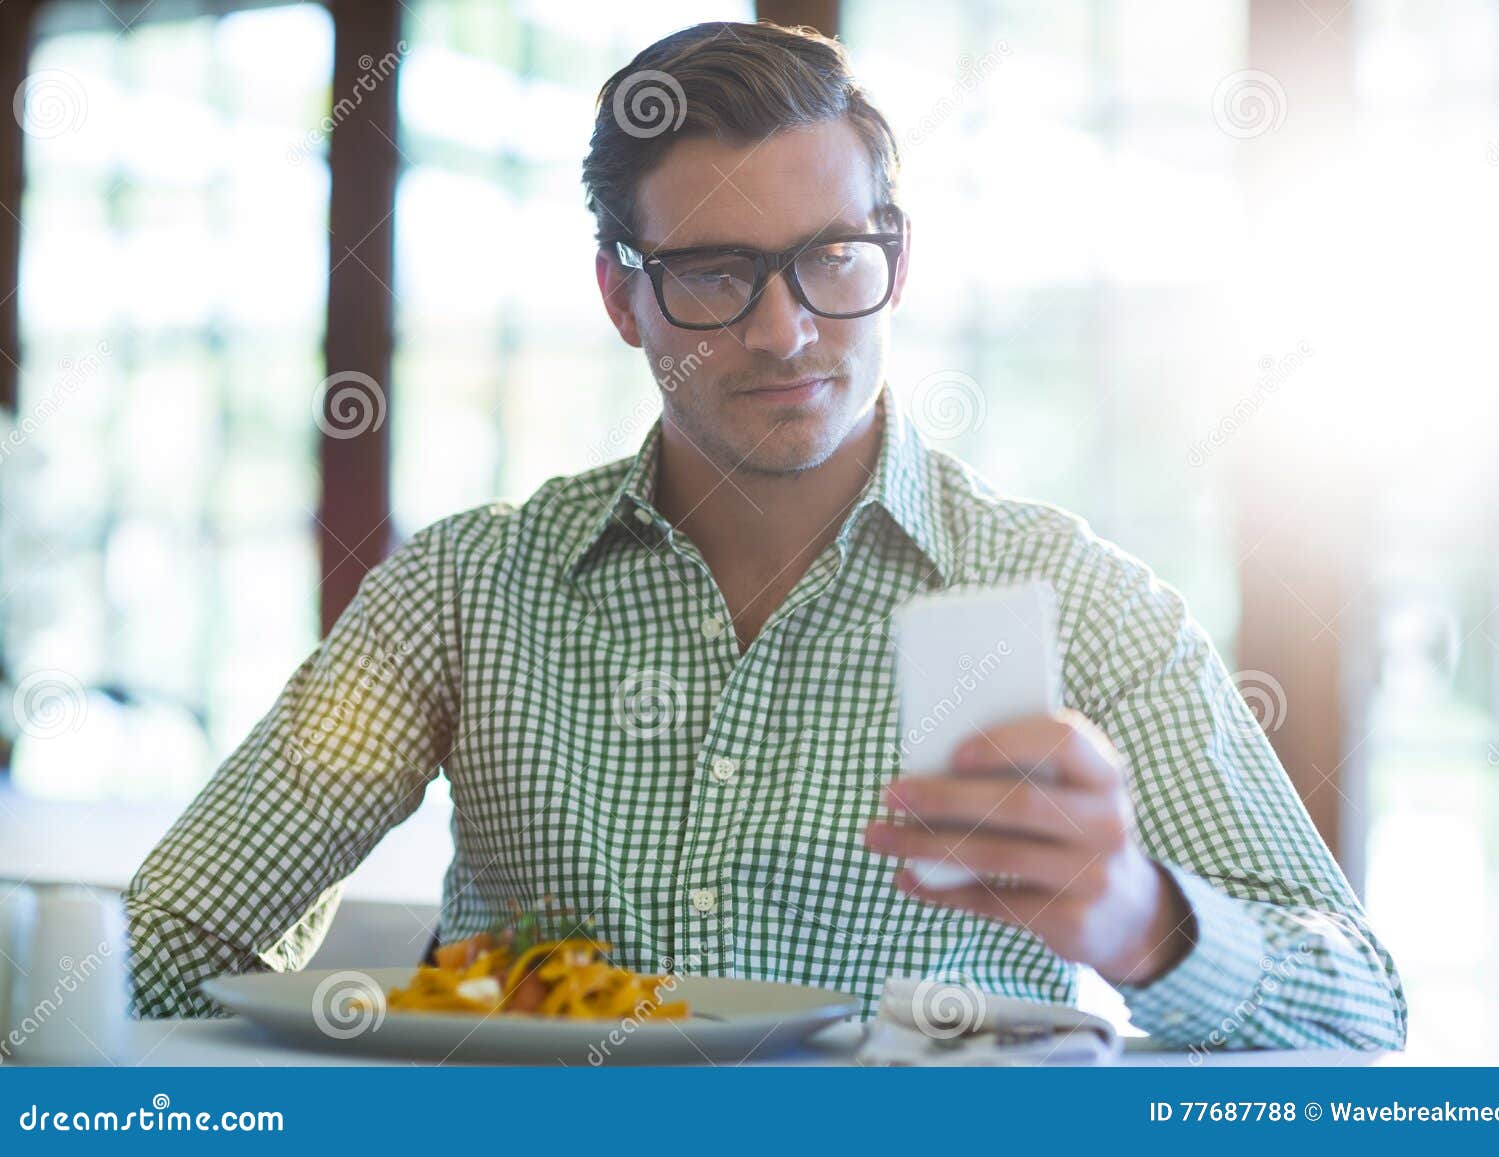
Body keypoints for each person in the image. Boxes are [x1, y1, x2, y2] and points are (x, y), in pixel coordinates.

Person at [127, 21, 1405, 1051]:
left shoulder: (1077, 605)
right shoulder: (469, 589)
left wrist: (1146, 926)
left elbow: (1357, 1024)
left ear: (894, 263)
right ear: (621, 293)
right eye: (713, 273)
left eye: (832, 259)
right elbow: (177, 939)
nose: (785, 330)